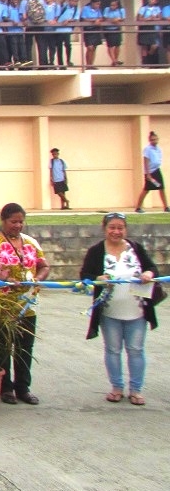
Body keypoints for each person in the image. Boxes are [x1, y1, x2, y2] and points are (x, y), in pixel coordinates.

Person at [80, 212, 160, 406]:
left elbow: (152, 269)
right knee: (113, 350)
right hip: (109, 312)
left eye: (120, 227)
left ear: (126, 229)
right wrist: (98, 278)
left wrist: (148, 273)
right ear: (104, 228)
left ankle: (136, 390)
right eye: (112, 227)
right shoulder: (96, 251)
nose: (116, 231)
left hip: (137, 311)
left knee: (135, 349)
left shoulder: (136, 248)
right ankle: (116, 387)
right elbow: (85, 275)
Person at [0, 202, 50, 405]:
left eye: (20, 221)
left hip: (27, 305)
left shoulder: (30, 243)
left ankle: (23, 388)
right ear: (3, 221)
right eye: (13, 221)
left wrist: (39, 278)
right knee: (1, 347)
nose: (17, 225)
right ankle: (5, 388)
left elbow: (44, 266)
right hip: (1, 304)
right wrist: (3, 278)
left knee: (24, 348)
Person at [135, 130, 169, 213]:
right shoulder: (148, 149)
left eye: (155, 139)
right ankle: (138, 207)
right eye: (152, 140)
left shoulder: (158, 149)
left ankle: (166, 207)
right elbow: (145, 161)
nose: (154, 141)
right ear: (150, 140)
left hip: (157, 170)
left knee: (161, 188)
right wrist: (148, 174)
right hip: (150, 172)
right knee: (146, 189)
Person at [103, 0, 125, 66]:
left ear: (117, 5)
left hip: (117, 29)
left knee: (117, 45)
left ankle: (115, 59)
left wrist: (118, 19)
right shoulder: (107, 9)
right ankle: (114, 60)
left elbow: (123, 18)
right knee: (110, 46)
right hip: (109, 29)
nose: (111, 7)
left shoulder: (121, 10)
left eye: (113, 5)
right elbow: (105, 18)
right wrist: (113, 20)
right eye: (111, 5)